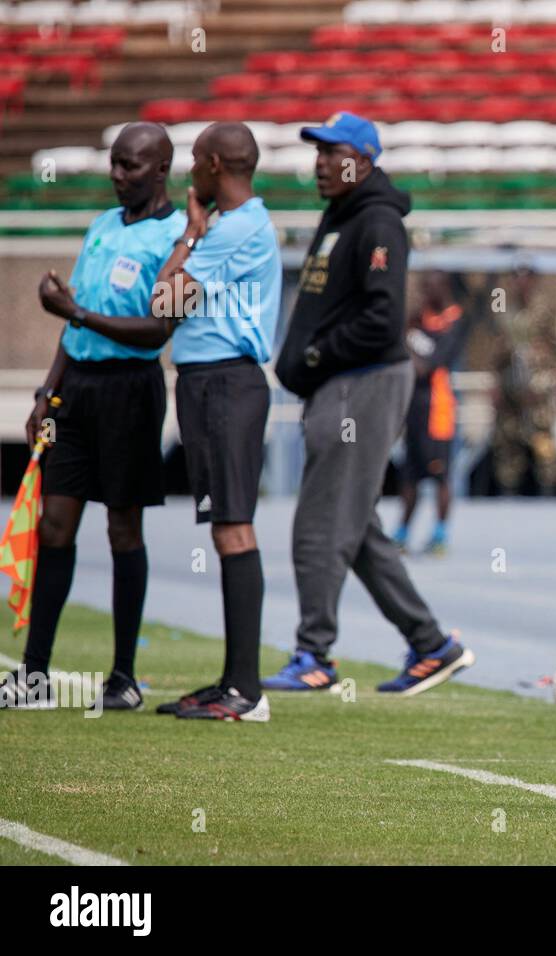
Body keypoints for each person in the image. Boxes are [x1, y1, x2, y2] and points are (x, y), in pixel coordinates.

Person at [269, 112, 474, 695]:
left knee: (320, 521)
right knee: (354, 524)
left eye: (331, 153)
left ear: (361, 157)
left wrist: (313, 358)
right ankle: (431, 644)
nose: (320, 164)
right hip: (344, 383)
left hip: (362, 382)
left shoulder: (378, 221)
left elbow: (382, 320)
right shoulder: (341, 215)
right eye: (316, 154)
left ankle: (314, 654)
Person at [0, 123, 183, 711]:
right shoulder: (103, 225)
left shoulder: (180, 235)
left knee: (123, 528)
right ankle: (33, 676)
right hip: (75, 388)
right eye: (113, 164)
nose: (117, 175)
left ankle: (123, 677)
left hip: (131, 389)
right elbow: (72, 325)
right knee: (55, 524)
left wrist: (74, 311)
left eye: (129, 166)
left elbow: (159, 329)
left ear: (160, 170)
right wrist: (44, 392)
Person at [142, 121, 282, 720]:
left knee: (233, 527)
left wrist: (192, 240)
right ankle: (231, 680)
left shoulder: (241, 228)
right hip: (205, 382)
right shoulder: (222, 229)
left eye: (196, 159)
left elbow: (163, 303)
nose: (188, 169)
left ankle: (246, 692)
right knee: (224, 526)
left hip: (228, 382)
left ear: (218, 164)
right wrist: (196, 233)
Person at [394, 270, 472, 554]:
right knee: (410, 476)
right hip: (413, 409)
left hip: (438, 412)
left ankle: (440, 535)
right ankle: (401, 532)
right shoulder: (416, 319)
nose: (426, 292)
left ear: (444, 287)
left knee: (440, 476)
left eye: (431, 287)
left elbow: (430, 365)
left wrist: (408, 346)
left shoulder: (454, 320)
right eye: (423, 287)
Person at [489, 263, 556, 495]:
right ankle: (508, 491)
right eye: (516, 278)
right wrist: (495, 384)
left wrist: (548, 381)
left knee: (543, 442)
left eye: (525, 278)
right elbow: (495, 348)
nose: (520, 283)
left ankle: (549, 490)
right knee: (507, 445)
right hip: (510, 386)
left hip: (538, 388)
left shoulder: (546, 309)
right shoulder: (504, 307)